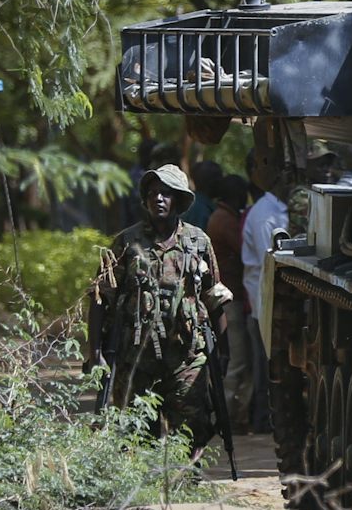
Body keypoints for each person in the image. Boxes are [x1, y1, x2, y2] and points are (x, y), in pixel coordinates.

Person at [83, 166, 234, 453]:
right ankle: (145, 493)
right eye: (153, 194)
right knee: (136, 436)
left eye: (166, 193)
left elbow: (215, 298)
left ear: (178, 199)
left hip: (186, 357)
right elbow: (100, 297)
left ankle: (186, 485)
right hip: (136, 359)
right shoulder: (126, 243)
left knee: (192, 431)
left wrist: (223, 351)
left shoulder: (198, 241)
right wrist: (96, 353)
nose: (159, 199)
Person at [241, 161, 290, 433]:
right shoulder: (264, 214)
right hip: (264, 301)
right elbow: (267, 259)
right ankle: (262, 420)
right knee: (264, 366)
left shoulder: (276, 210)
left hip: (271, 300)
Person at [208, 174, 254, 430]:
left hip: (234, 295)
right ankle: (224, 415)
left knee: (240, 360)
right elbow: (243, 249)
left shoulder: (222, 217)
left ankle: (237, 414)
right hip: (231, 299)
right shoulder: (224, 220)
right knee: (237, 360)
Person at [184, 159, 223, 229]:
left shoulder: (192, 203)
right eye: (218, 179)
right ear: (211, 183)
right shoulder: (201, 211)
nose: (222, 183)